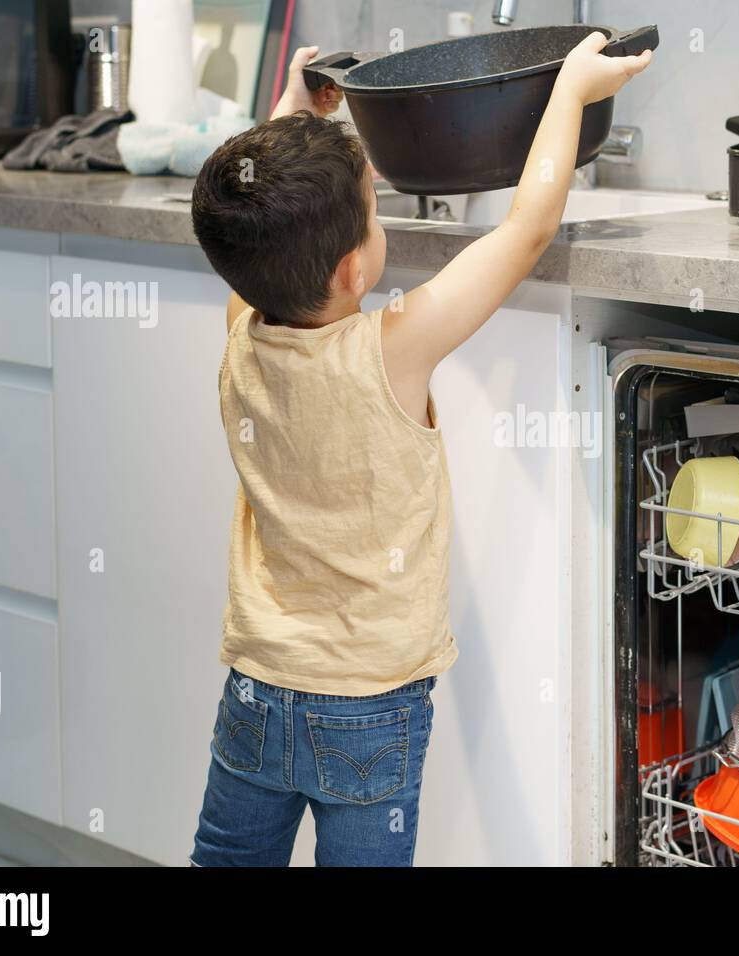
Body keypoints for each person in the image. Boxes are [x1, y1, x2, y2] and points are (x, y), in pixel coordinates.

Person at [187, 35, 652, 866]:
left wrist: (295, 106)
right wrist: (570, 93)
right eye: (373, 210)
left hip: (257, 684)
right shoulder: (390, 349)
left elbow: (251, 221)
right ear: (353, 268)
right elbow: (529, 225)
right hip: (370, 703)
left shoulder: (241, 331)